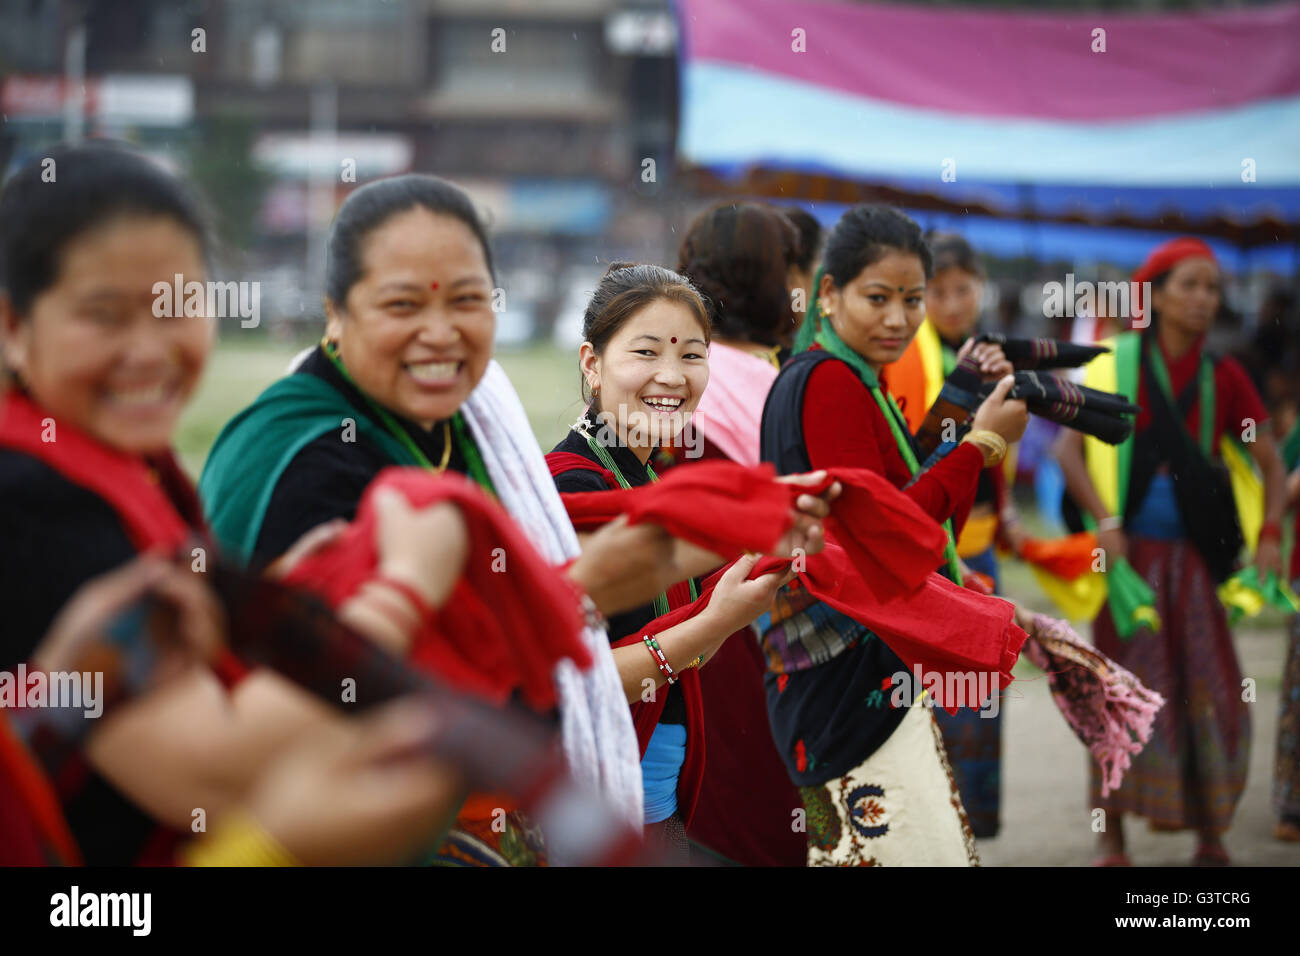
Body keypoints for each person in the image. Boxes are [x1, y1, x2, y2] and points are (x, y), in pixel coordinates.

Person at [199, 173, 738, 864]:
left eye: (466, 300)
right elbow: (319, 705)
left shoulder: (460, 430)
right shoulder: (304, 454)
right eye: (401, 303)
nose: (440, 332)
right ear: (337, 312)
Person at [0, 143, 471, 864]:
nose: (149, 351)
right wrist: (401, 590)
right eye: (104, 315)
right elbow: (215, 780)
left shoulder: (127, 466)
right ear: (12, 326)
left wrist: (278, 600)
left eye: (179, 307)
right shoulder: (34, 502)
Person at [759, 205, 1030, 866]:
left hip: (845, 669)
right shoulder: (828, 383)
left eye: (913, 299)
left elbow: (893, 486)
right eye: (877, 297)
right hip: (844, 679)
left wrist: (962, 393)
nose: (898, 318)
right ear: (829, 293)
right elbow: (894, 532)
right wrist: (983, 446)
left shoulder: (846, 377)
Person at [547, 261, 832, 862]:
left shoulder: (651, 474)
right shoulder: (573, 491)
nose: (672, 377)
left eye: (692, 356)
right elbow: (575, 680)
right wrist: (717, 620)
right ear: (591, 364)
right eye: (646, 354)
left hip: (655, 796)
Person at [1054, 236, 1288, 866]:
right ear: (1153, 295)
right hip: (1128, 567)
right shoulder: (1112, 364)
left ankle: (1210, 836)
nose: (1204, 299)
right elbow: (1068, 451)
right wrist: (1104, 520)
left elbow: (1268, 462)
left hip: (1194, 565)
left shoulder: (1225, 377)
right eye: (1189, 285)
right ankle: (1113, 839)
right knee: (1119, 697)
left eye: (1213, 287)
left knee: (1209, 691)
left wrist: (1269, 537)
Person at [880, 233, 1018, 838]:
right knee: (918, 699)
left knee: (980, 691)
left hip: (981, 544)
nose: (953, 302)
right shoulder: (904, 356)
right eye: (937, 291)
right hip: (927, 546)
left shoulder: (991, 356)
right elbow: (920, 458)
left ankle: (968, 828)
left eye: (964, 289)